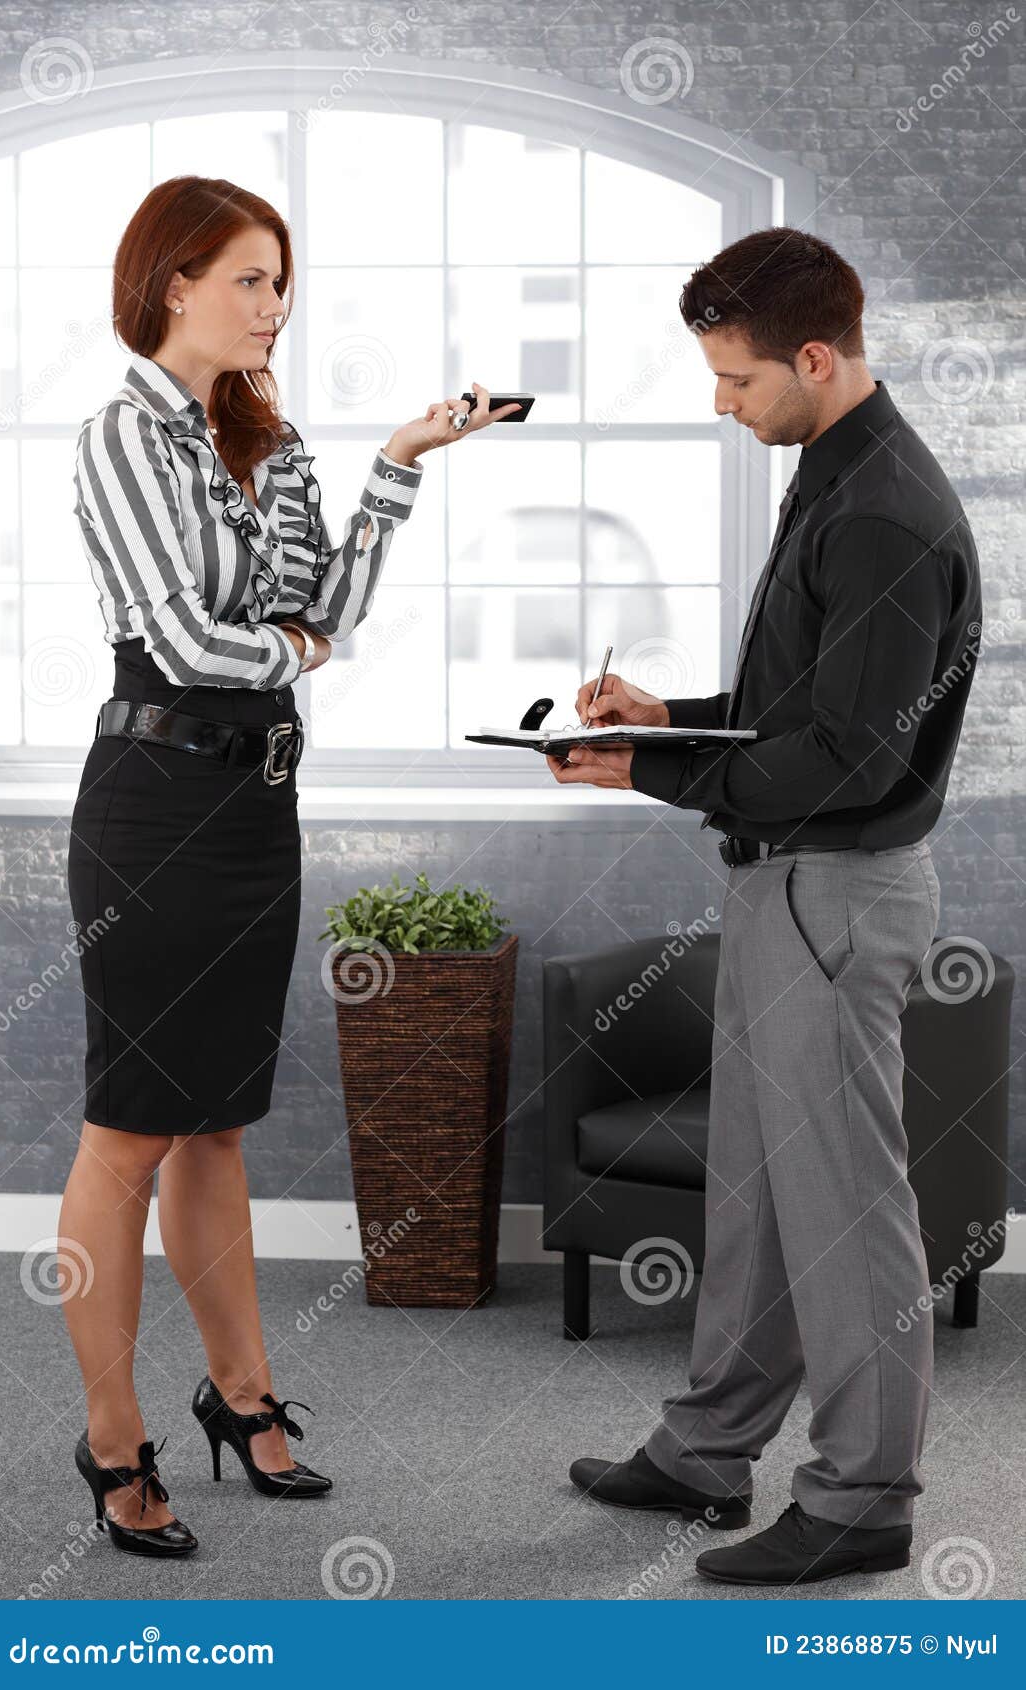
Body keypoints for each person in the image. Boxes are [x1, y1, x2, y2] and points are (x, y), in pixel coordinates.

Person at [63, 174, 517, 1558]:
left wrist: (396, 465)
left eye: (283, 283)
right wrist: (301, 648)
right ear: (173, 284)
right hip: (150, 809)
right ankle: (110, 1432)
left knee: (218, 1121)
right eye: (253, 280)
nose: (276, 306)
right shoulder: (118, 436)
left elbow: (326, 607)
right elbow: (195, 645)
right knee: (131, 1126)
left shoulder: (277, 436)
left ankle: (243, 1393)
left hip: (259, 809)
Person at [553, 228, 981, 1586]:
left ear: (815, 357)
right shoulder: (831, 473)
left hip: (834, 890)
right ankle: (708, 1447)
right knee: (754, 1188)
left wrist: (659, 768)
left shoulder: (883, 514)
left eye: (737, 381)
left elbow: (849, 755)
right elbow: (804, 711)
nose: (722, 404)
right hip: (781, 881)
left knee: (845, 1205)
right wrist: (668, 717)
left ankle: (863, 1494)